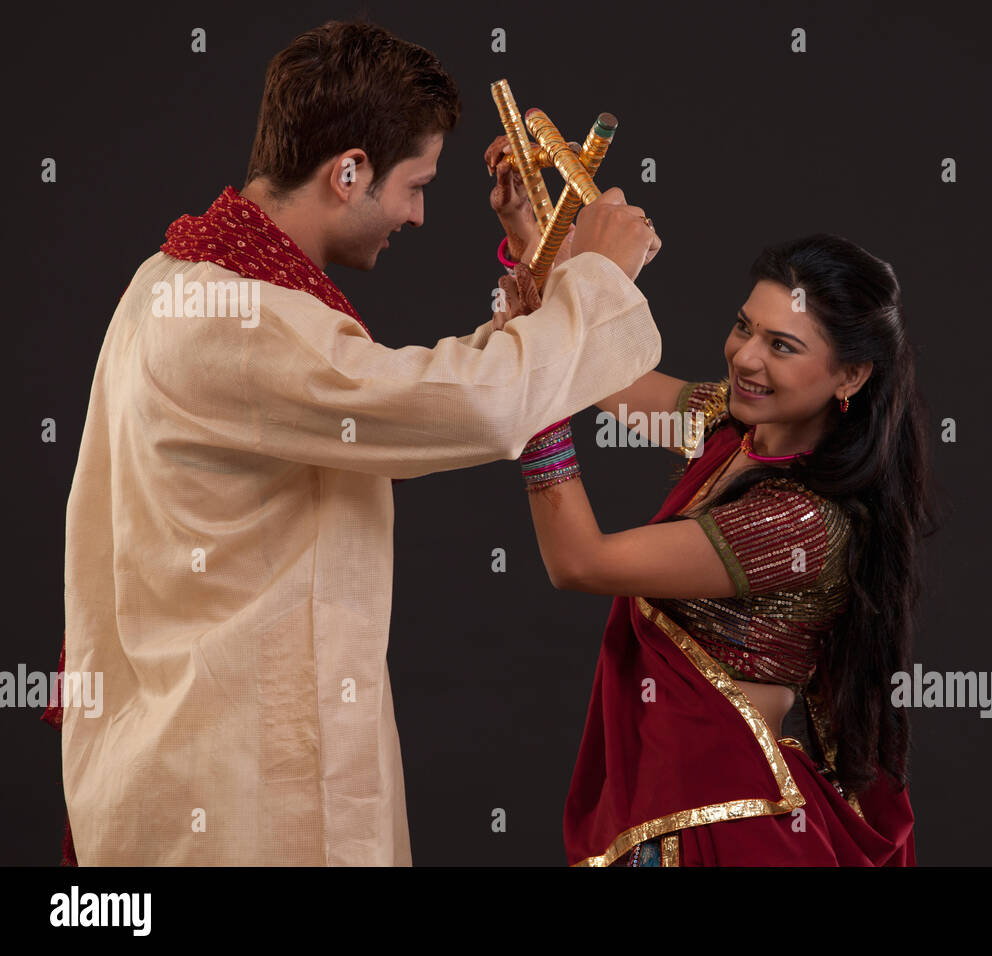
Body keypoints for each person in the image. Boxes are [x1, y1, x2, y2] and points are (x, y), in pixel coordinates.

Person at [46, 20, 664, 866]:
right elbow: (466, 409)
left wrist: (541, 297)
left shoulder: (180, 277)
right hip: (236, 792)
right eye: (415, 184)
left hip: (209, 753)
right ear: (349, 172)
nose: (417, 214)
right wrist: (595, 279)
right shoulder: (242, 320)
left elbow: (393, 400)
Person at [494, 203, 944, 863]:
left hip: (723, 831)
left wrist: (532, 400)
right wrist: (538, 245)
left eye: (782, 346)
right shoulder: (729, 428)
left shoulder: (798, 524)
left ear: (850, 376)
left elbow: (579, 561)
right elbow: (594, 375)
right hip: (675, 817)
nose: (746, 358)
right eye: (744, 328)